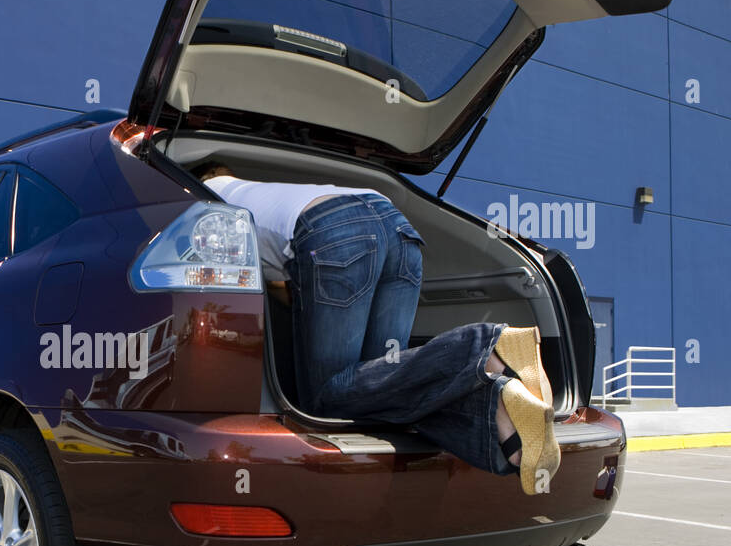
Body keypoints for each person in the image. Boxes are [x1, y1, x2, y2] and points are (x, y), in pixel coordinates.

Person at [194, 162, 559, 495]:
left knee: (326, 396)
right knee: (387, 390)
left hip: (334, 233)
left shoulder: (211, 208)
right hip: (396, 228)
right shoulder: (257, 189)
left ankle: (484, 346)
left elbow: (244, 294)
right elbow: (299, 289)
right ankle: (497, 408)